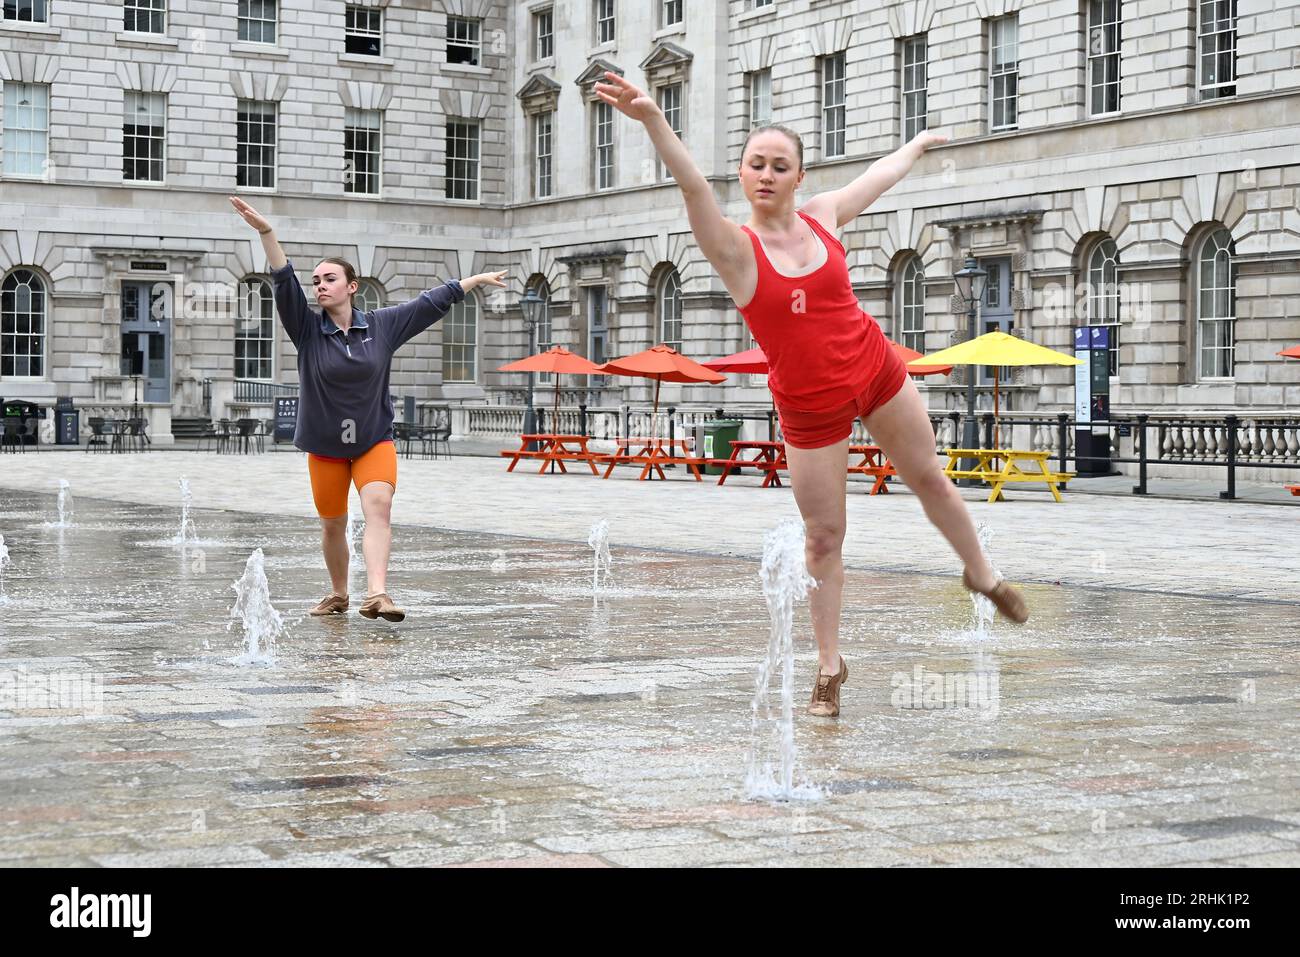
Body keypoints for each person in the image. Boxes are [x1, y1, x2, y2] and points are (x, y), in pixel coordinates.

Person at [593, 74, 1028, 717]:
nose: (766, 175)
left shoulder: (824, 216)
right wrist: (655, 117)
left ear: (799, 177)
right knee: (823, 537)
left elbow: (876, 180)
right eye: (755, 165)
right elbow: (690, 186)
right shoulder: (735, 251)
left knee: (930, 477)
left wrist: (915, 146)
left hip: (875, 368)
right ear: (742, 176)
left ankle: (981, 573)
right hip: (809, 404)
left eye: (780, 166)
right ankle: (829, 665)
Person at [230, 196, 507, 622]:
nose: (320, 285)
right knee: (333, 524)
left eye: (329, 279)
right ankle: (339, 593)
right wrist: (268, 233)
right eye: (317, 280)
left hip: (373, 439)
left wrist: (476, 280)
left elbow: (430, 303)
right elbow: (283, 281)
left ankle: (378, 593)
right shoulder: (307, 330)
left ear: (351, 286)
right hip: (324, 445)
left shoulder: (381, 325)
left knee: (378, 507)